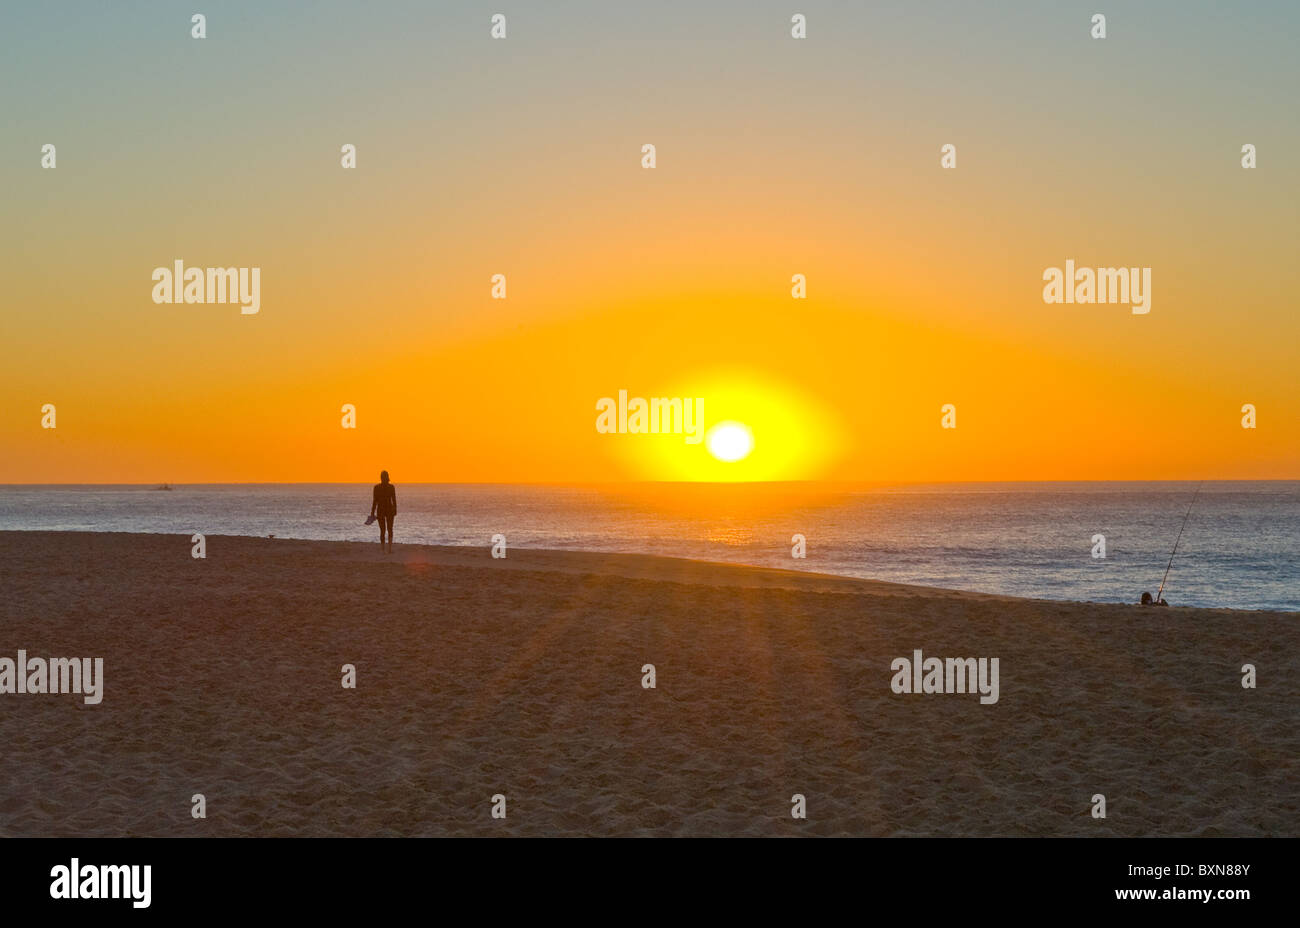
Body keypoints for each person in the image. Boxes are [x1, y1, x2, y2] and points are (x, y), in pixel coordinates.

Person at [370, 470, 397, 553]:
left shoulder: (378, 487)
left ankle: (386, 549)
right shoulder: (389, 487)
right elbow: (393, 500)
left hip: (385, 510)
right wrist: (372, 512)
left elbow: (375, 501)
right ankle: (387, 549)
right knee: (386, 529)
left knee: (386, 529)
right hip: (386, 510)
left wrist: (372, 512)